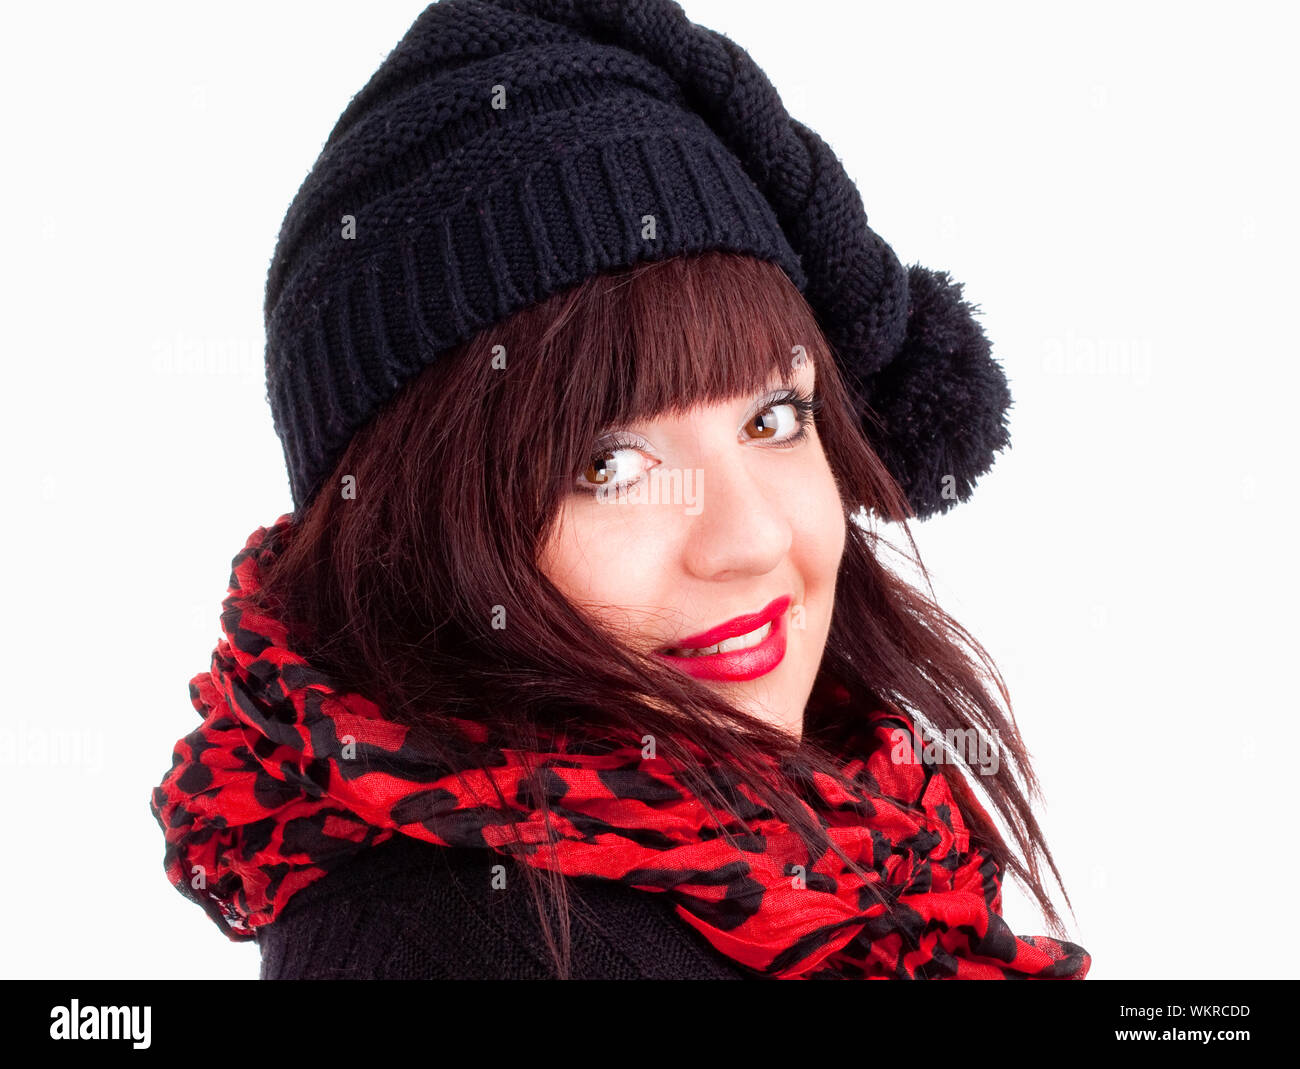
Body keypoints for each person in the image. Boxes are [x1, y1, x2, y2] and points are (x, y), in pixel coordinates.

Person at [151, 0, 1091, 980]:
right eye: (608, 464)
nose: (750, 537)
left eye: (774, 418)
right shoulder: (458, 944)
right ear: (410, 534)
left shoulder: (852, 831)